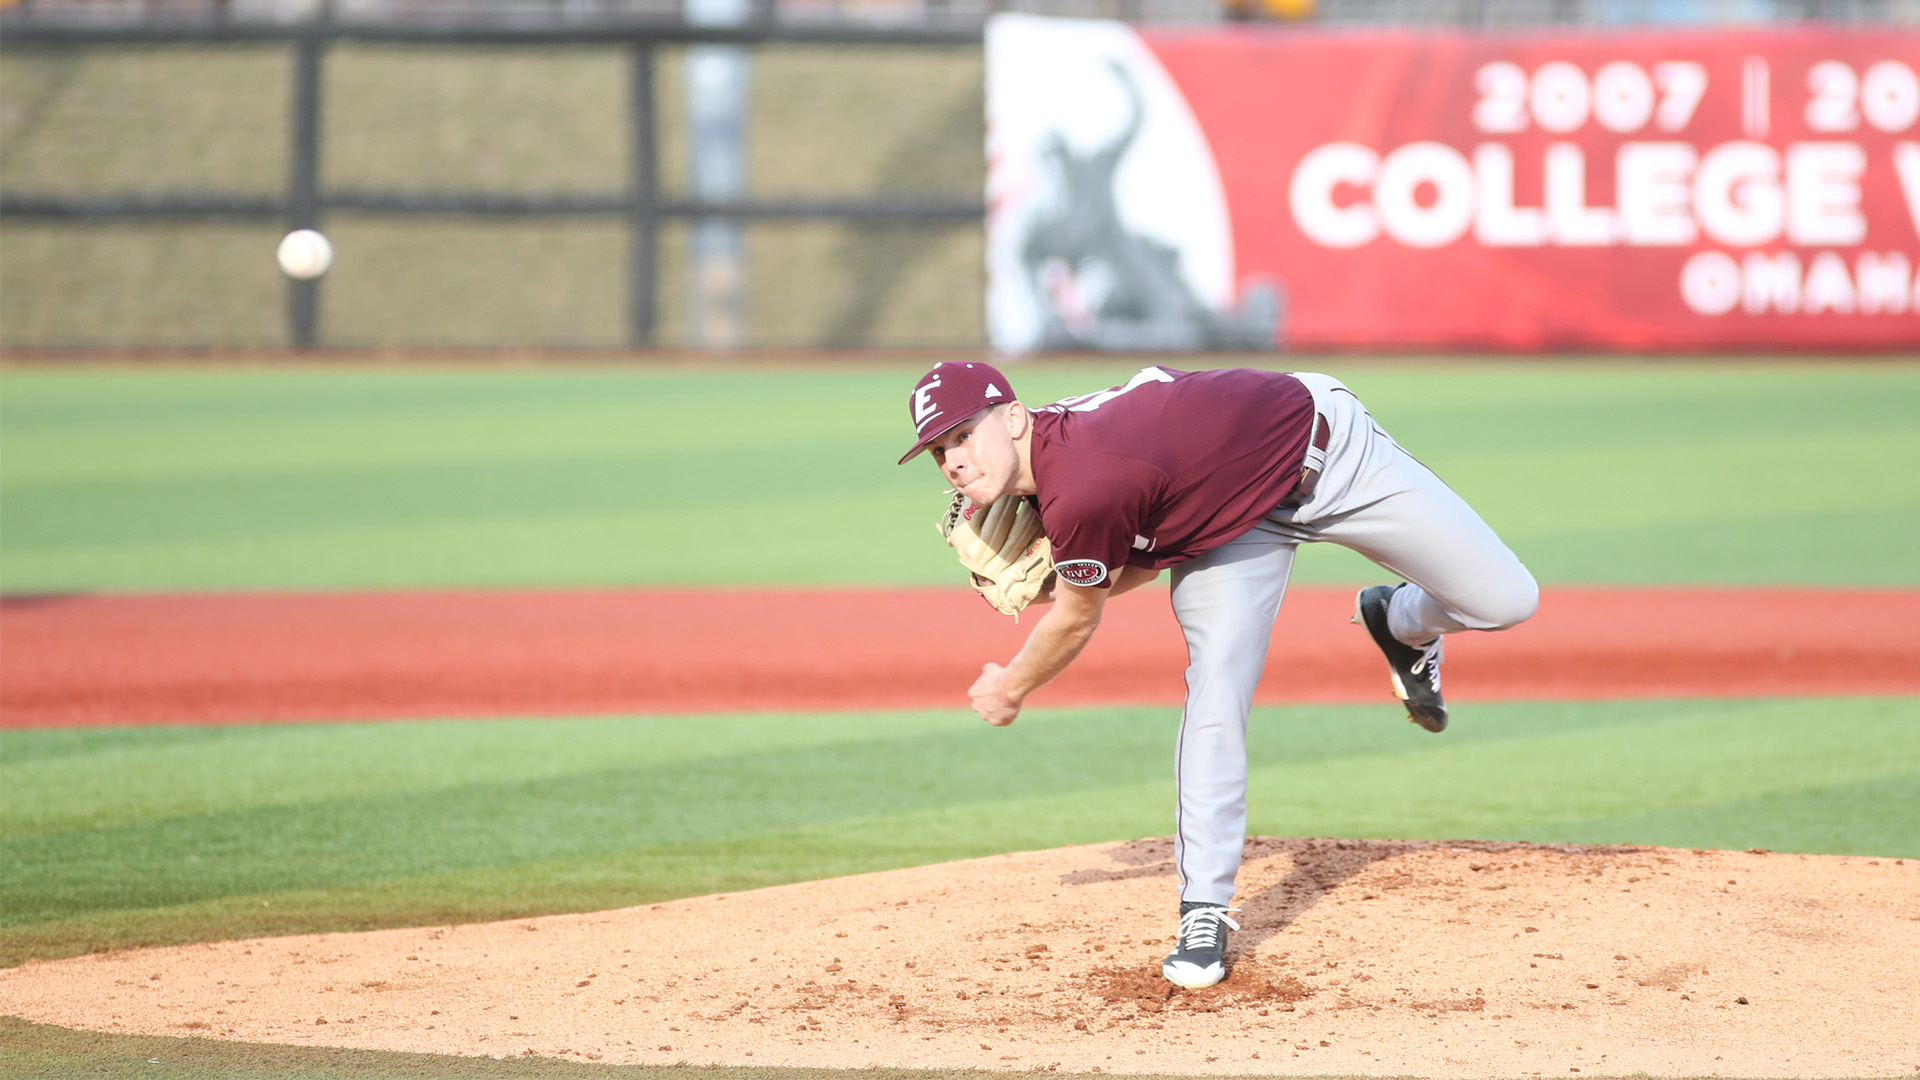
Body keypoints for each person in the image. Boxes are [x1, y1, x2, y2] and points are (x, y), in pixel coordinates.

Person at [897, 360, 1538, 990]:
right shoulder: (1061, 461)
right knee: (1216, 686)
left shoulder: (1084, 483)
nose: (953, 459)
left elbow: (1074, 622)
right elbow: (1147, 553)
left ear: (1012, 418)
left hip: (1333, 455)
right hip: (1232, 531)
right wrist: (1076, 568)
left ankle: (1400, 621)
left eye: (963, 434)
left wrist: (1011, 686)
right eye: (938, 450)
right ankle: (1203, 910)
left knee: (1505, 601)